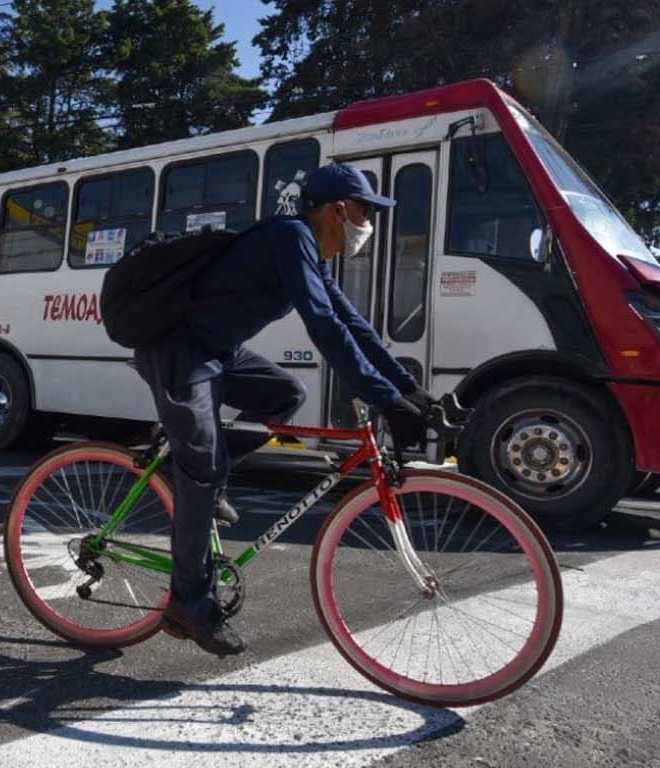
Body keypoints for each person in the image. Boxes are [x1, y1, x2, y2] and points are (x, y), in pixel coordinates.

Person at [134, 162, 437, 657]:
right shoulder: (291, 237)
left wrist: (409, 390)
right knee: (203, 470)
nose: (370, 223)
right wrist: (384, 399)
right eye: (367, 211)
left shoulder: (313, 255)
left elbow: (351, 322)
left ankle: (194, 467)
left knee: (285, 396)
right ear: (340, 210)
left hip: (218, 350)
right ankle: (188, 605)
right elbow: (323, 326)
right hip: (177, 350)